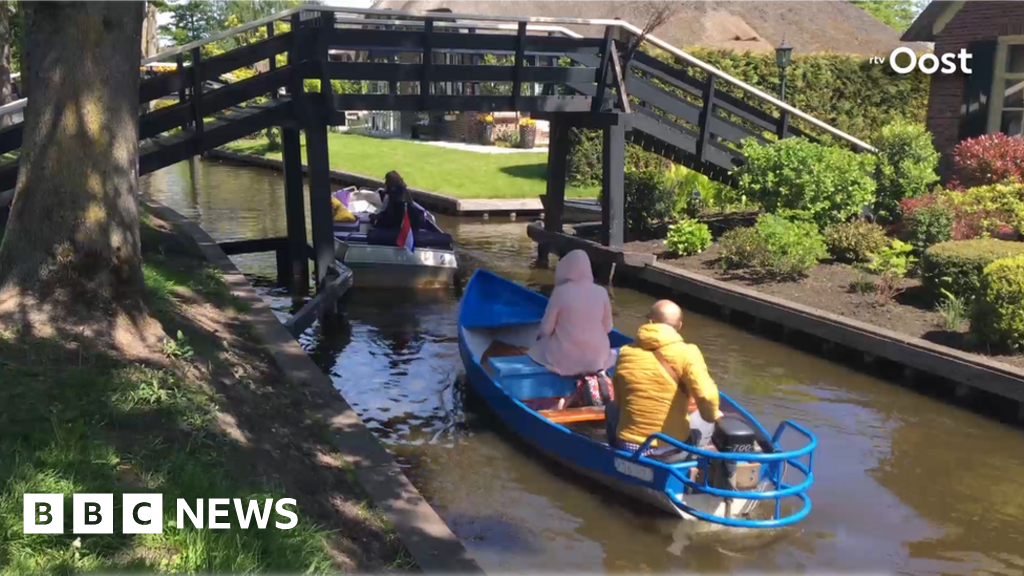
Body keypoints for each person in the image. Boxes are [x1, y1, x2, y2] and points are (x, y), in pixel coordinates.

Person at [606, 300, 724, 461]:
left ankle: (619, 455)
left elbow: (619, 400)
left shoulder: (626, 352)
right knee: (707, 421)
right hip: (670, 451)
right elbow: (707, 396)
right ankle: (692, 461)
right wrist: (715, 416)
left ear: (649, 322)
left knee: (611, 407)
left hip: (628, 446)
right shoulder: (688, 353)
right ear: (679, 326)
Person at [527, 250, 617, 407]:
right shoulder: (601, 292)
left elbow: (546, 329)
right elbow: (608, 328)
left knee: (539, 346)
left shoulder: (560, 292)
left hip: (566, 358)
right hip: (598, 357)